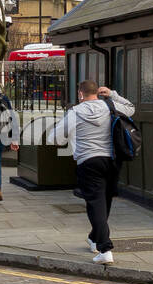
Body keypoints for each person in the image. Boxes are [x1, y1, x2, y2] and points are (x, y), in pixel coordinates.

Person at [49, 79, 136, 264]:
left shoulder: (75, 112)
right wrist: (112, 93)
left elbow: (54, 138)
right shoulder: (110, 106)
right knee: (104, 201)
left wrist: (70, 138)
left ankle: (105, 249)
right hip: (112, 160)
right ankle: (94, 237)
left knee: (95, 203)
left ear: (81, 94)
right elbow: (131, 108)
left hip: (88, 161)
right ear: (97, 92)